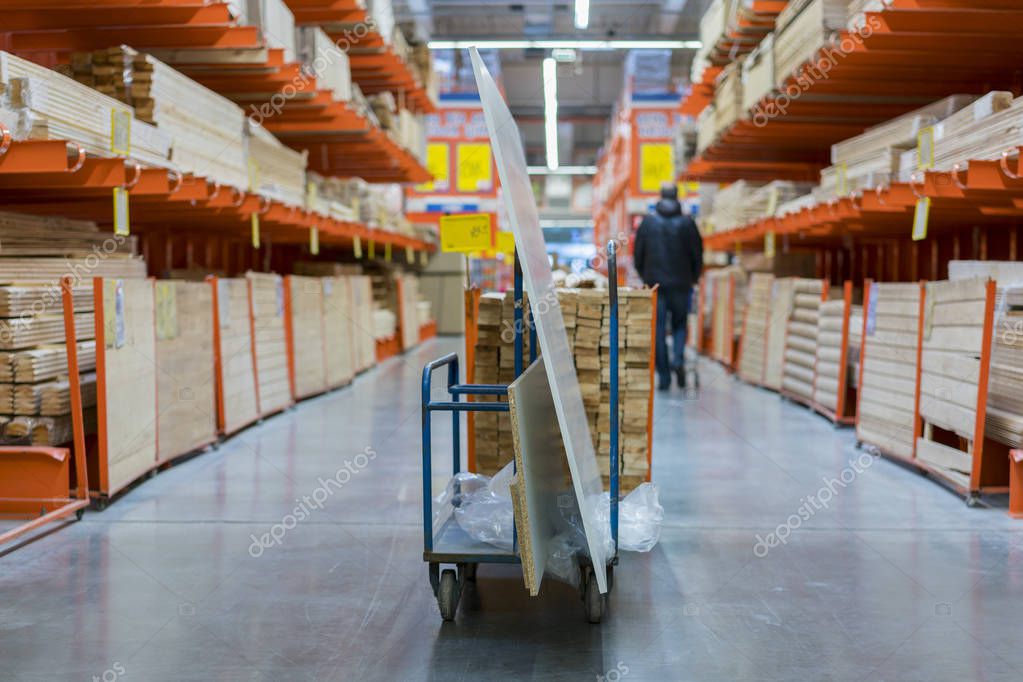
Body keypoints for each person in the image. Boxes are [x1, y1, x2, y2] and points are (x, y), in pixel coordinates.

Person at [633, 183, 704, 391]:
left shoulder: (648, 223)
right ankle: (678, 360)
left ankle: (664, 377)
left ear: (660, 197)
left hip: (655, 284)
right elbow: (697, 254)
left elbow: (638, 255)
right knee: (680, 324)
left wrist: (645, 276)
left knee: (659, 329)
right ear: (677, 197)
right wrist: (693, 277)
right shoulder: (688, 223)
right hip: (682, 284)